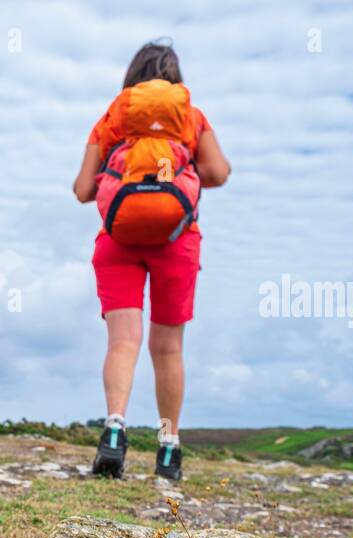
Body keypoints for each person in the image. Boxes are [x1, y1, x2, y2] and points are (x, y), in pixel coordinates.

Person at [72, 40, 231, 481]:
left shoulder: (111, 117)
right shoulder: (192, 117)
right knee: (169, 348)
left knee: (123, 342)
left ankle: (114, 433)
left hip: (118, 236)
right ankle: (167, 448)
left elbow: (84, 189)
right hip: (178, 238)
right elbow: (218, 172)